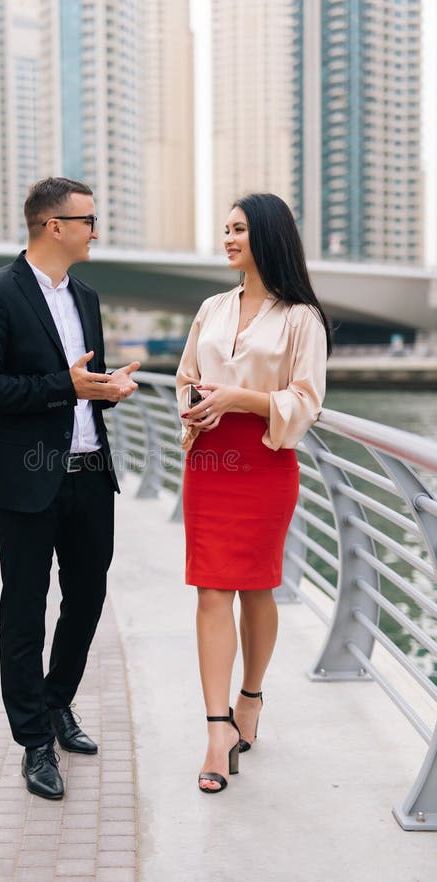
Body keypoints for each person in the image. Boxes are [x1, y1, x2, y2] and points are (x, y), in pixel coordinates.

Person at [0, 177, 139, 800]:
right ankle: (34, 739)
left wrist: (106, 389)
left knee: (87, 599)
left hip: (89, 474)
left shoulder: (86, 297)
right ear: (53, 226)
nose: (97, 230)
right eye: (90, 219)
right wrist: (67, 387)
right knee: (25, 611)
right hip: (25, 480)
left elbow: (81, 385)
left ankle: (58, 702)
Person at [176, 192, 331, 794]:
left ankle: (251, 698)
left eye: (239, 229)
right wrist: (196, 407)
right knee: (211, 589)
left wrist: (238, 398)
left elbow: (306, 400)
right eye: (225, 230)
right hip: (210, 460)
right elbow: (188, 378)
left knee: (256, 586)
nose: (228, 239)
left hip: (265, 460)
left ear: (268, 236)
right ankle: (218, 732)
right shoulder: (212, 308)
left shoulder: (301, 319)